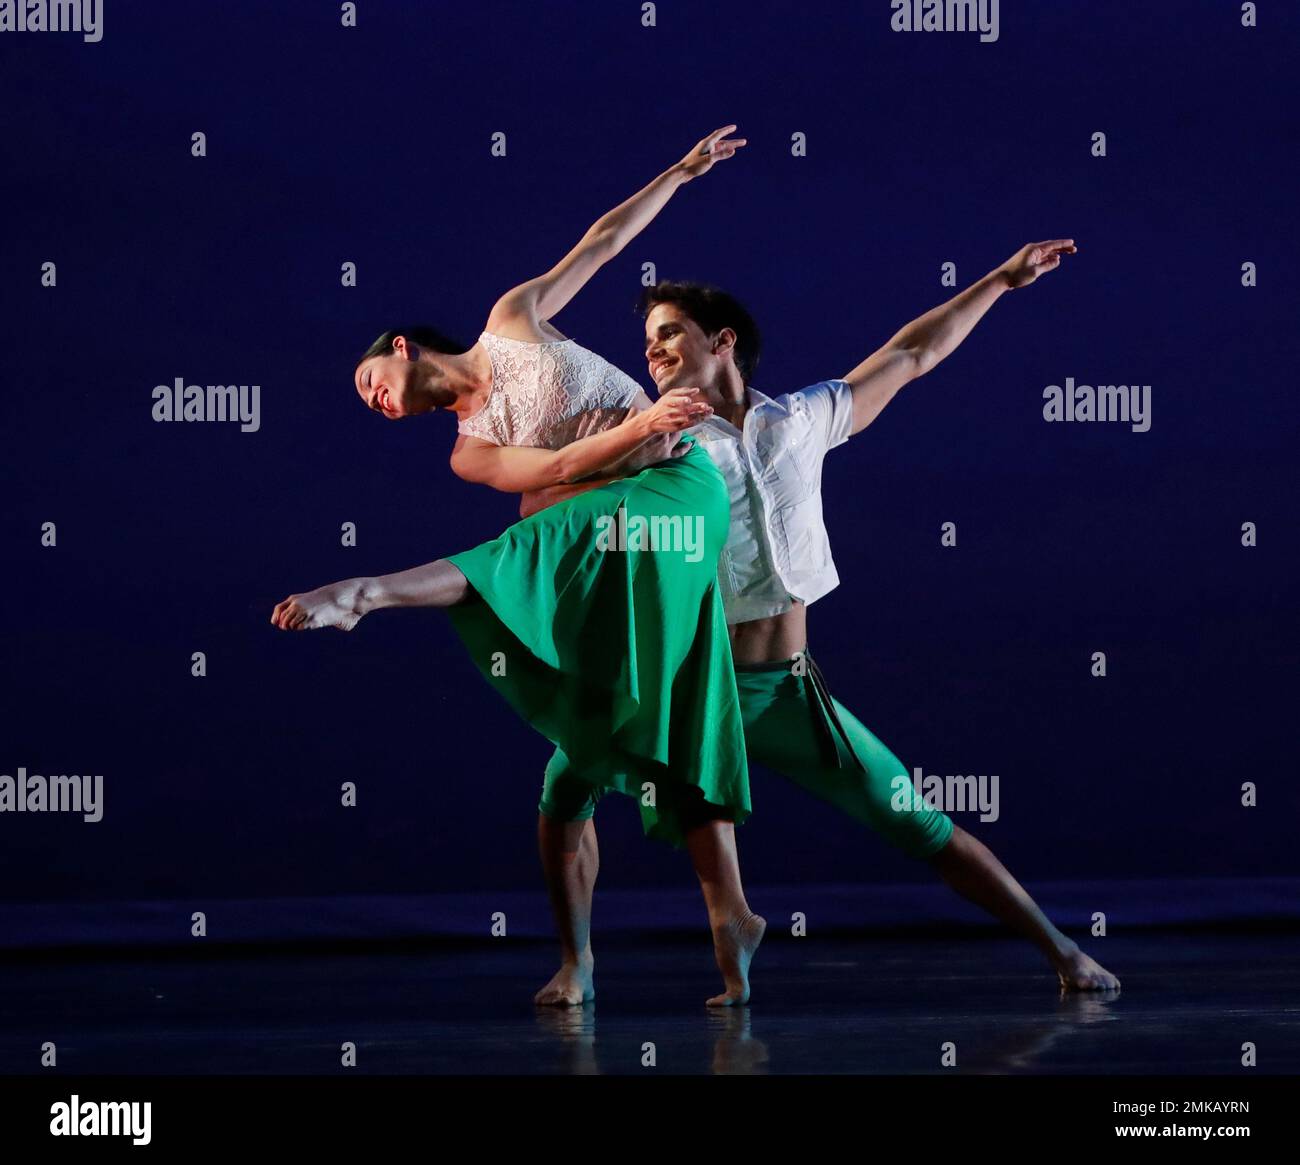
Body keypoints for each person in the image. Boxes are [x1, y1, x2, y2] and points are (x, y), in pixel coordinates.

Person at [524, 244, 1121, 1001]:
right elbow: (540, 503)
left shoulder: (801, 420)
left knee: (916, 818)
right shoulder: (651, 442)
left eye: (670, 331)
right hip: (685, 687)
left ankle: (1064, 952)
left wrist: (1000, 281)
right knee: (562, 789)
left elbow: (911, 353)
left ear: (722, 340)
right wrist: (615, 460)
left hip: (787, 694)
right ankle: (578, 964)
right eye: (648, 341)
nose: (653, 349)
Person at [270, 127, 766, 1006]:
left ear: (401, 346)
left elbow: (603, 241)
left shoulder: (512, 321)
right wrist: (637, 425)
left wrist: (680, 174)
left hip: (676, 499)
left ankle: (369, 591)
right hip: (606, 538)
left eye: (369, 382)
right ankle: (624, 946)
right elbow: (560, 472)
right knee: (582, 766)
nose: (377, 403)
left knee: (536, 546)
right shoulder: (468, 452)